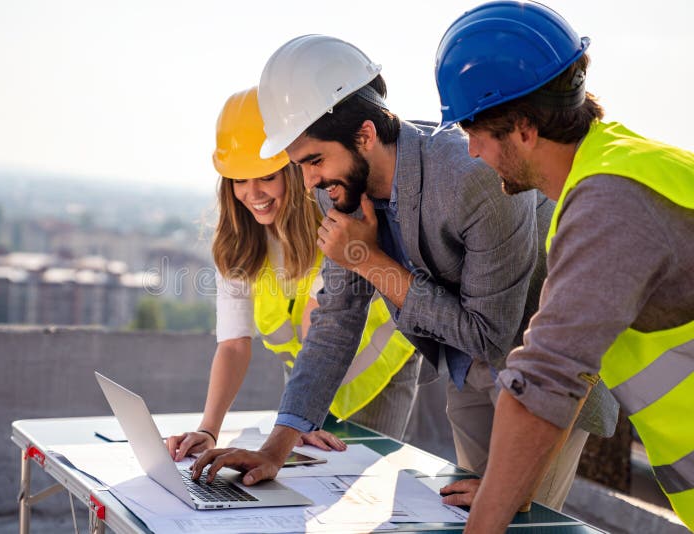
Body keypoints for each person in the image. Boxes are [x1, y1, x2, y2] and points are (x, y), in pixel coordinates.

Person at [192, 35, 616, 512]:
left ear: (365, 136)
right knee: (468, 517)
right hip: (466, 373)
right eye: (299, 164)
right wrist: (275, 449)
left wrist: (370, 261)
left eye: (314, 161)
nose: (309, 183)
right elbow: (336, 321)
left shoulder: (472, 179)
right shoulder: (337, 187)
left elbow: (489, 335)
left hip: (542, 380)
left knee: (514, 517)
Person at [432, 1, 694, 531]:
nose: (473, 152)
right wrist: (508, 488)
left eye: (475, 132)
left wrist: (485, 522)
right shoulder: (623, 165)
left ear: (524, 128)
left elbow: (545, 380)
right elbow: (569, 370)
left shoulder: (609, 205)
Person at [165, 87, 420, 461]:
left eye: (266, 177)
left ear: (293, 168)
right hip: (308, 371)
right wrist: (208, 430)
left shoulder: (333, 223)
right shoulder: (238, 243)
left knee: (360, 479)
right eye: (239, 180)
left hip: (375, 374)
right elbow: (233, 345)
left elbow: (321, 325)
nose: (253, 193)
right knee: (300, 475)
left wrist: (301, 422)